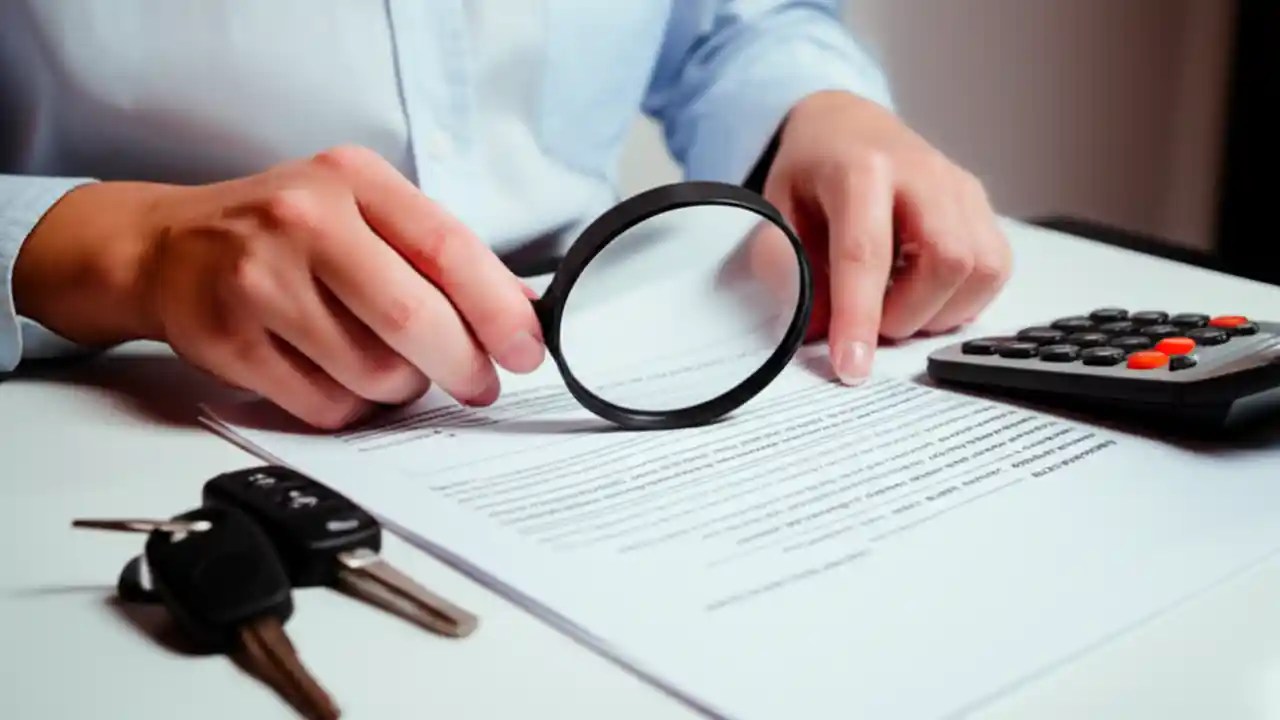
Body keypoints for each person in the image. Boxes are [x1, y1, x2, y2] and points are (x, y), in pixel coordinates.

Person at [0, 1, 1010, 429]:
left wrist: (814, 104)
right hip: (122, 396)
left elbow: (734, 24)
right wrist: (122, 250)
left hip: (633, 323)